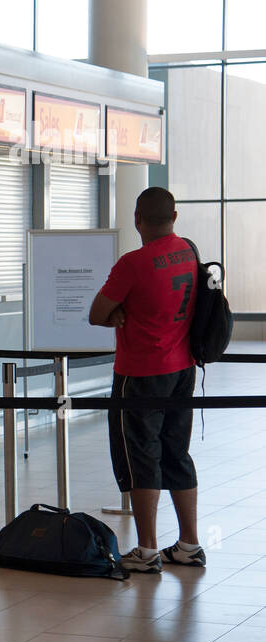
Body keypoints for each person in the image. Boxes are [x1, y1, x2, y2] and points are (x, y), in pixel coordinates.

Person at [89, 187, 204, 573]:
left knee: (141, 457)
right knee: (176, 452)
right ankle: (189, 545)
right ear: (175, 217)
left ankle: (147, 550)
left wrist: (119, 311)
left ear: (137, 219)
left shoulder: (133, 263)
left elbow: (96, 313)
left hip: (139, 374)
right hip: (182, 369)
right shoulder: (188, 251)